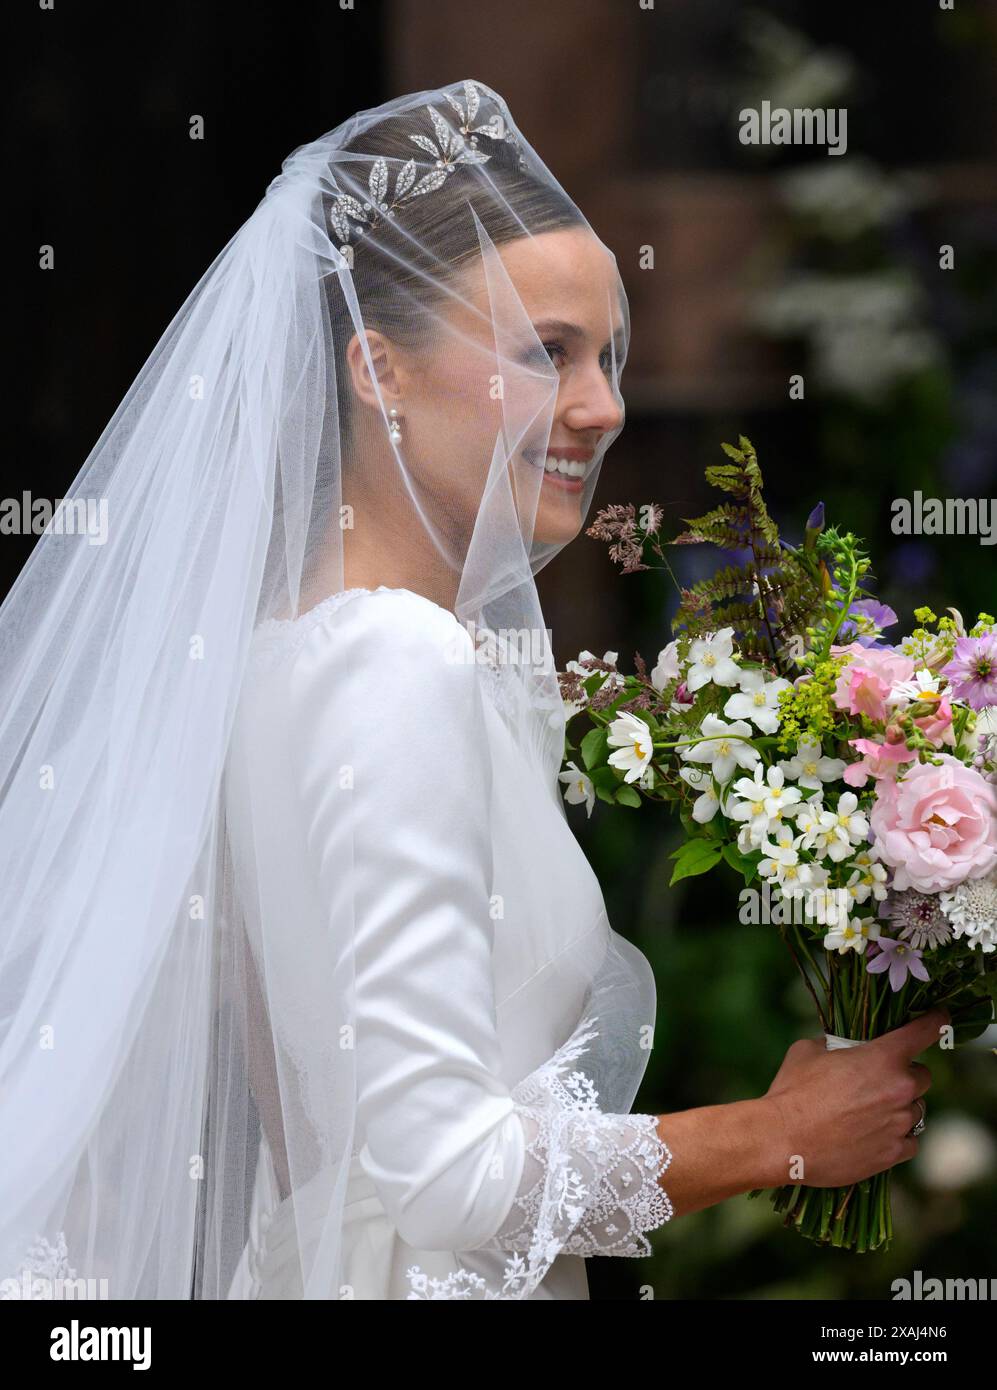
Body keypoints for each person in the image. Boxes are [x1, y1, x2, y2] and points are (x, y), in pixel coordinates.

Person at [0, 80, 942, 1302]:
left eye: (607, 353)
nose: (601, 405)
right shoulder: (395, 664)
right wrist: (779, 1134)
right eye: (543, 353)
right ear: (377, 368)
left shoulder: (284, 655)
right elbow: (448, 1180)